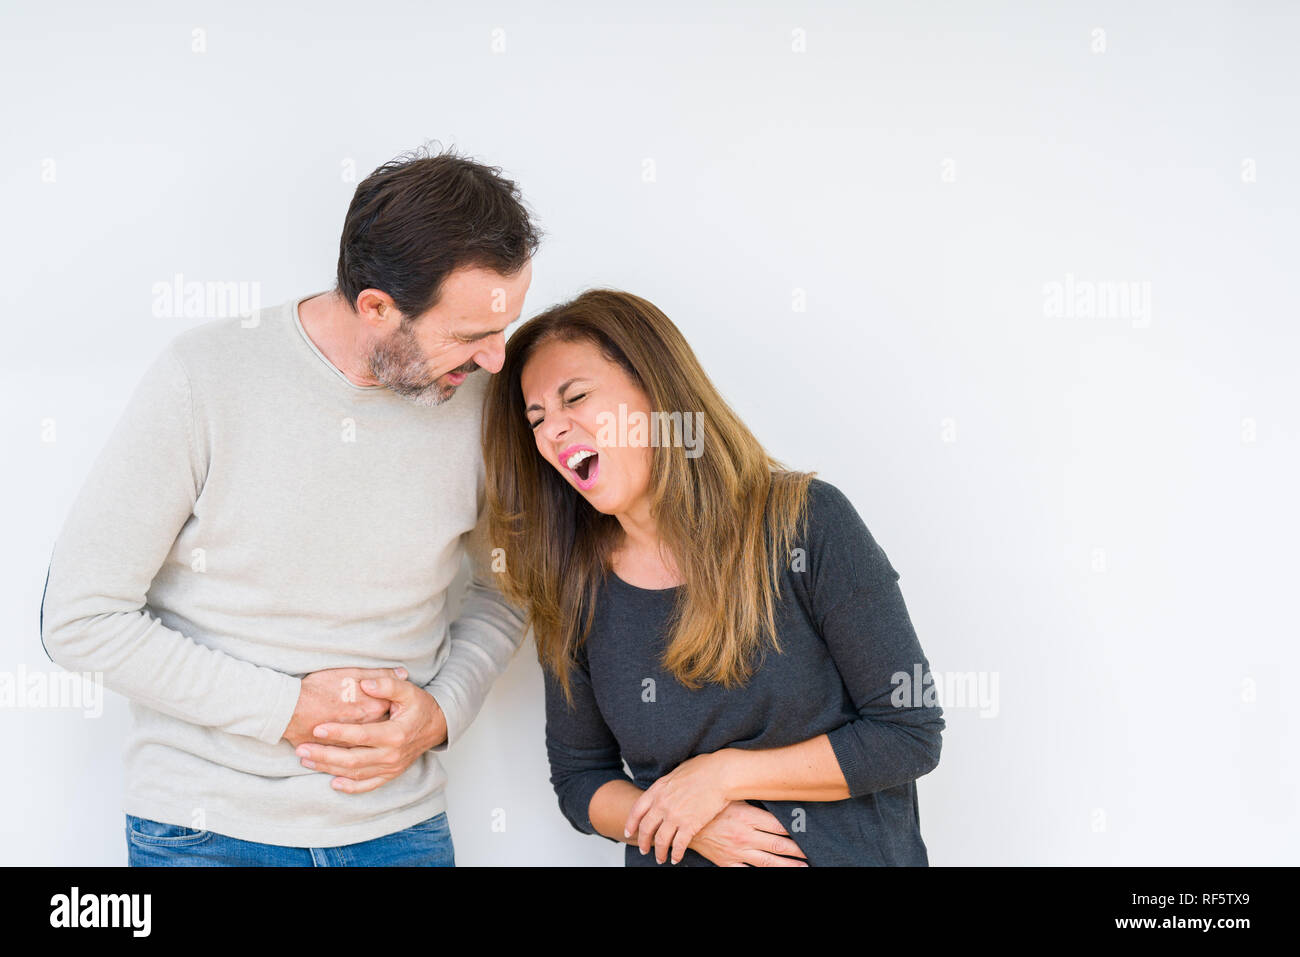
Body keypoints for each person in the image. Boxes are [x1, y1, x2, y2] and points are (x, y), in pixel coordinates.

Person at [39, 145, 539, 866]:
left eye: (505, 326)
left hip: (398, 827)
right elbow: (81, 619)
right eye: (470, 335)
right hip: (201, 830)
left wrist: (441, 712)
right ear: (377, 308)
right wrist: (287, 709)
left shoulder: (483, 404)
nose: (497, 359)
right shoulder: (204, 377)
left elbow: (506, 586)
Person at [482, 289, 945, 866]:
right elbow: (581, 779)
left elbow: (908, 733)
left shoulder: (806, 521)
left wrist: (719, 777)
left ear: (657, 393)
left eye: (575, 397)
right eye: (538, 418)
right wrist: (686, 822)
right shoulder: (572, 582)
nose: (554, 429)